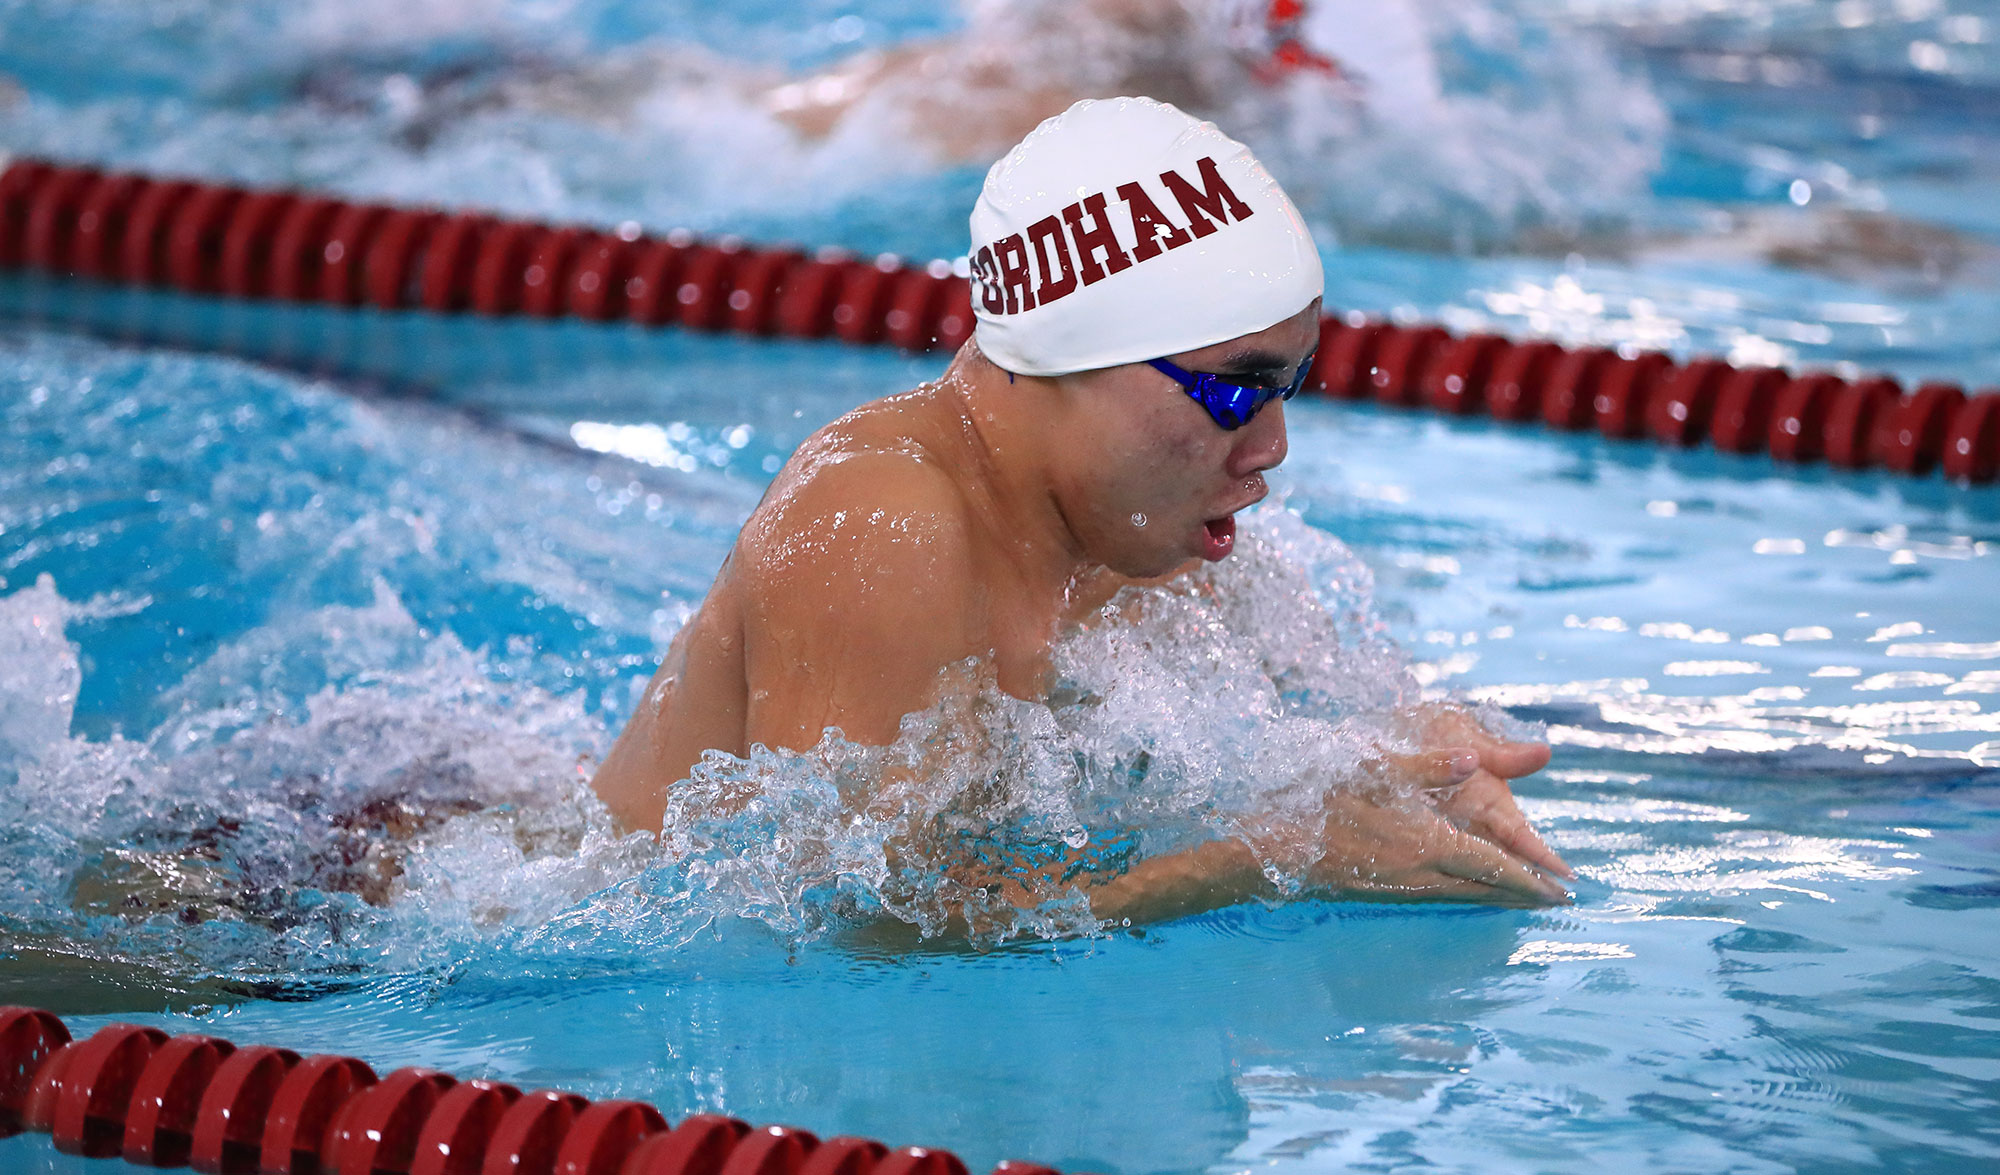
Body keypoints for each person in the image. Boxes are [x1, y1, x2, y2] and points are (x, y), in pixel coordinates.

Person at [591, 97, 1574, 925]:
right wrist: (1263, 855)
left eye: (1294, 381)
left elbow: (1312, 729)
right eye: (1237, 389)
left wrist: (1415, 759)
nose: (1272, 443)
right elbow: (832, 919)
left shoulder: (1140, 530)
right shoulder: (880, 524)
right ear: (1071, 357)